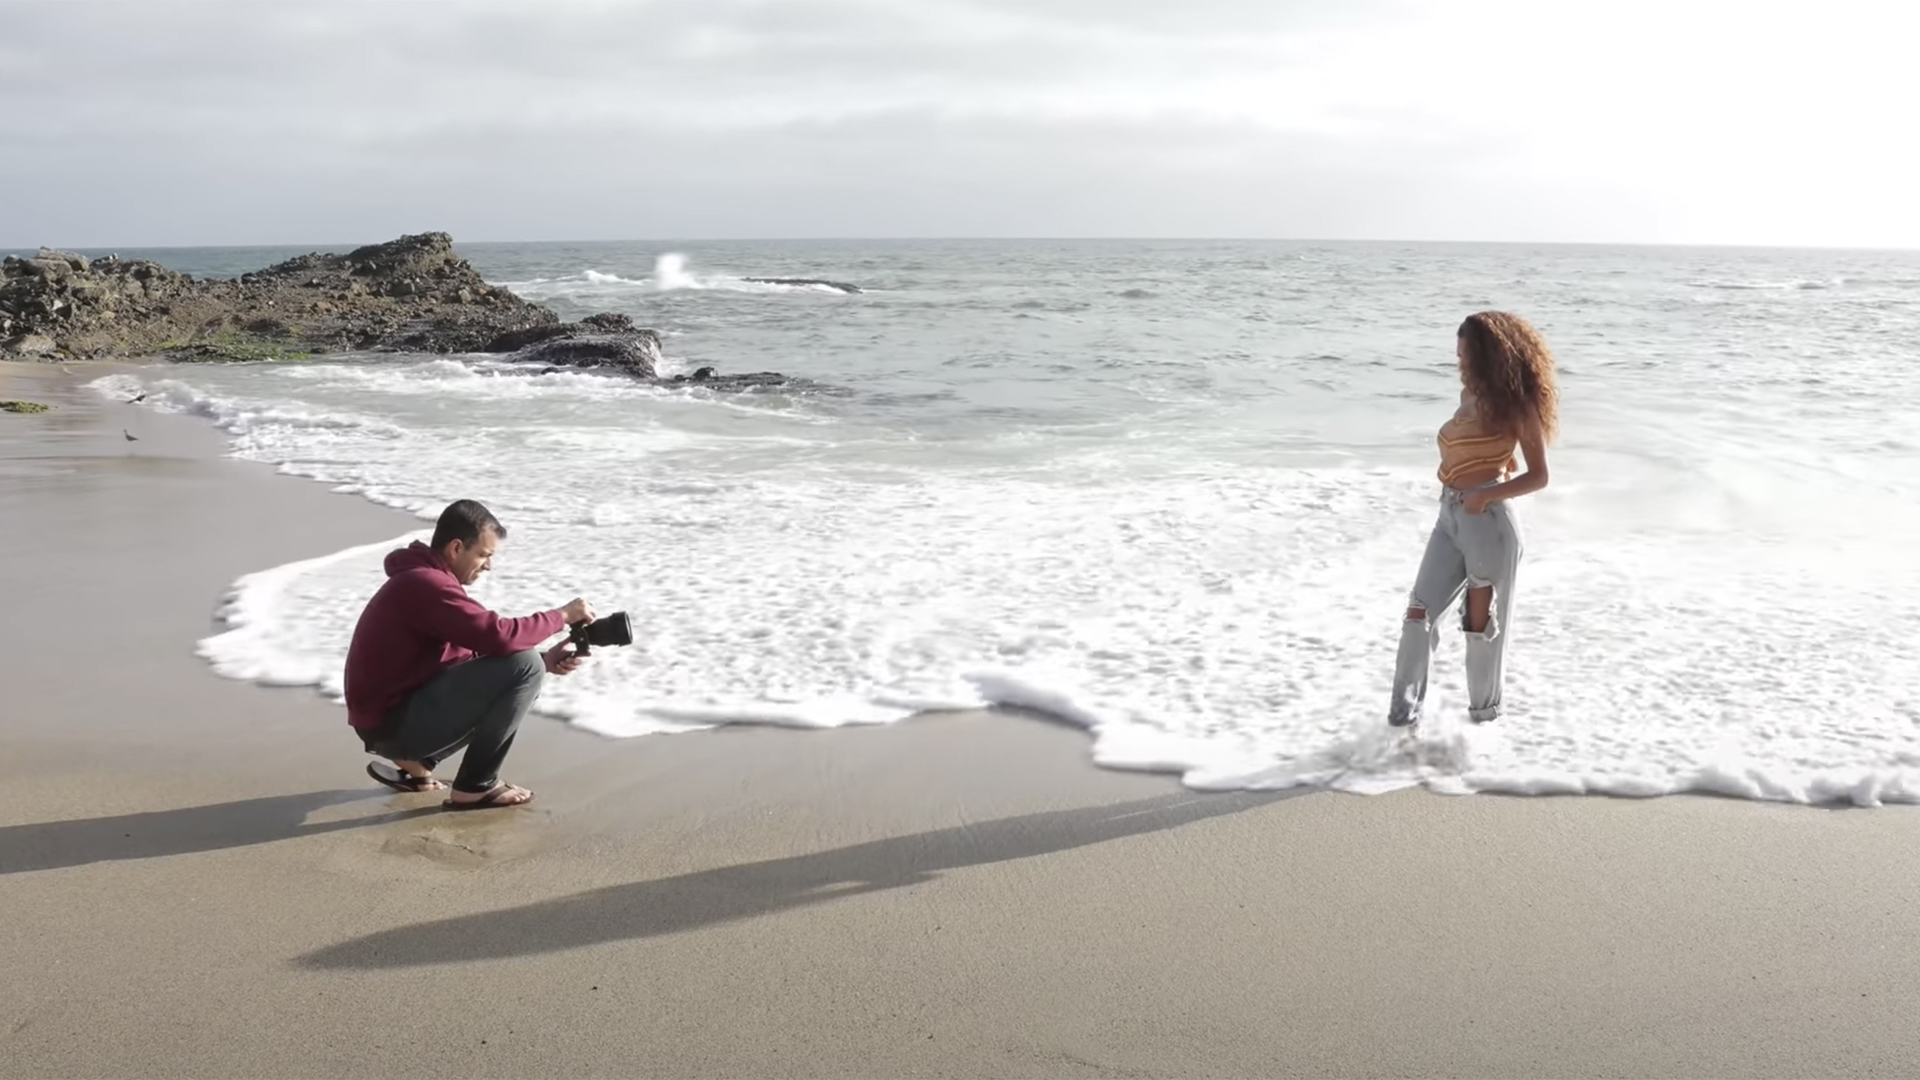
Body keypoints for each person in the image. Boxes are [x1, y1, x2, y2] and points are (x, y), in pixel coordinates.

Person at [343, 498, 594, 809]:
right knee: (524, 666)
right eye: (484, 555)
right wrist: (562, 616)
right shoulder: (425, 584)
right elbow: (498, 635)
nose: (488, 565)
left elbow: (471, 657)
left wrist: (544, 662)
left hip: (386, 718)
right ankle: (475, 786)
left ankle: (418, 761)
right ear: (456, 548)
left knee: (528, 666)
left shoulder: (421, 581)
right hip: (391, 724)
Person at [1388, 311, 1557, 729]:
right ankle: (1401, 725)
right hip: (1449, 517)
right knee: (1417, 614)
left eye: (1465, 353)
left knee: (1480, 629)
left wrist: (1486, 493)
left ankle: (1483, 724)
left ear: (1486, 355)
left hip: (1489, 524)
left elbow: (1539, 476)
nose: (1459, 360)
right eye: (1458, 353)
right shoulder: (1467, 394)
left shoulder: (1517, 404)